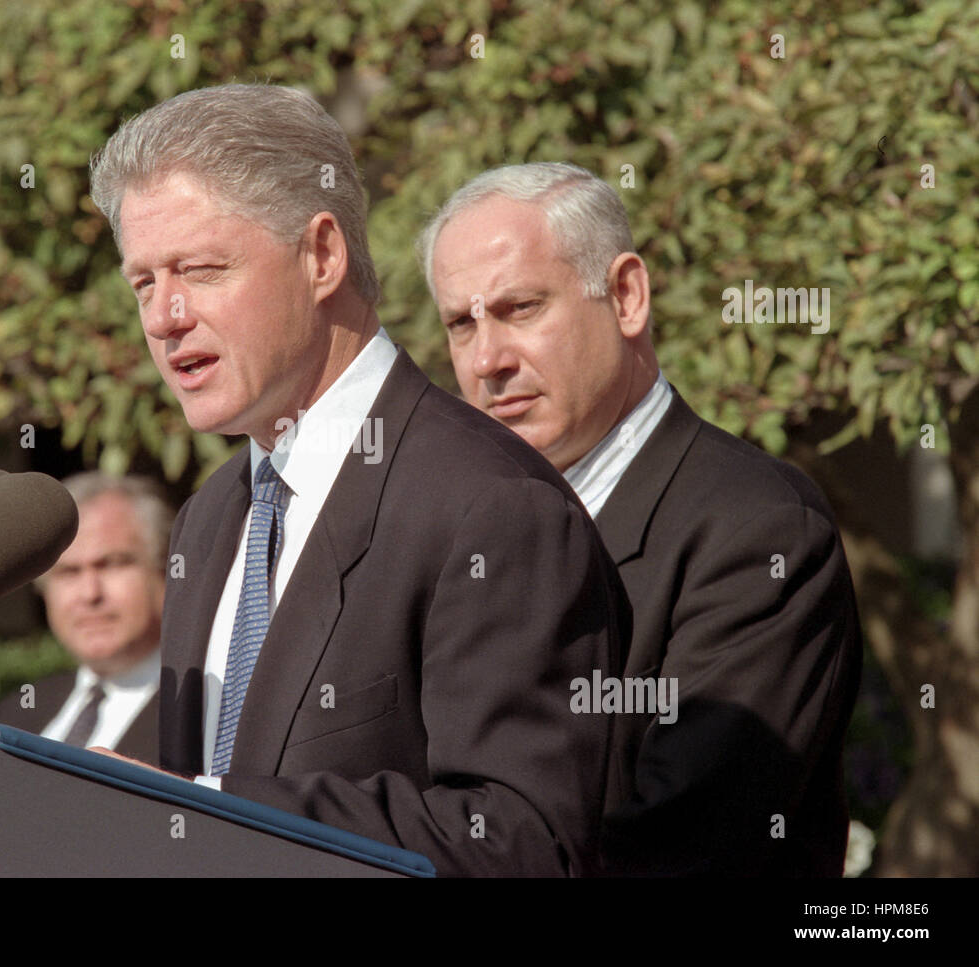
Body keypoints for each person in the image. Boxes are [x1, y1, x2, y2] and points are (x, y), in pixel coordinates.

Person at [87, 86, 630, 876]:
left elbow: (522, 837)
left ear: (322, 256)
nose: (165, 316)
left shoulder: (492, 505)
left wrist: (210, 806)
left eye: (201, 270)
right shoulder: (207, 519)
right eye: (143, 282)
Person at [421, 162, 863, 875]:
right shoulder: (455, 533)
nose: (486, 360)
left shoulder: (760, 529)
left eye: (521, 308)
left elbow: (684, 847)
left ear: (626, 295)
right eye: (460, 323)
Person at [0, 473, 173, 762]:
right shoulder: (15, 713)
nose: (90, 594)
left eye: (111, 564)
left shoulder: (209, 713)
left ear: (162, 570)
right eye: (68, 572)